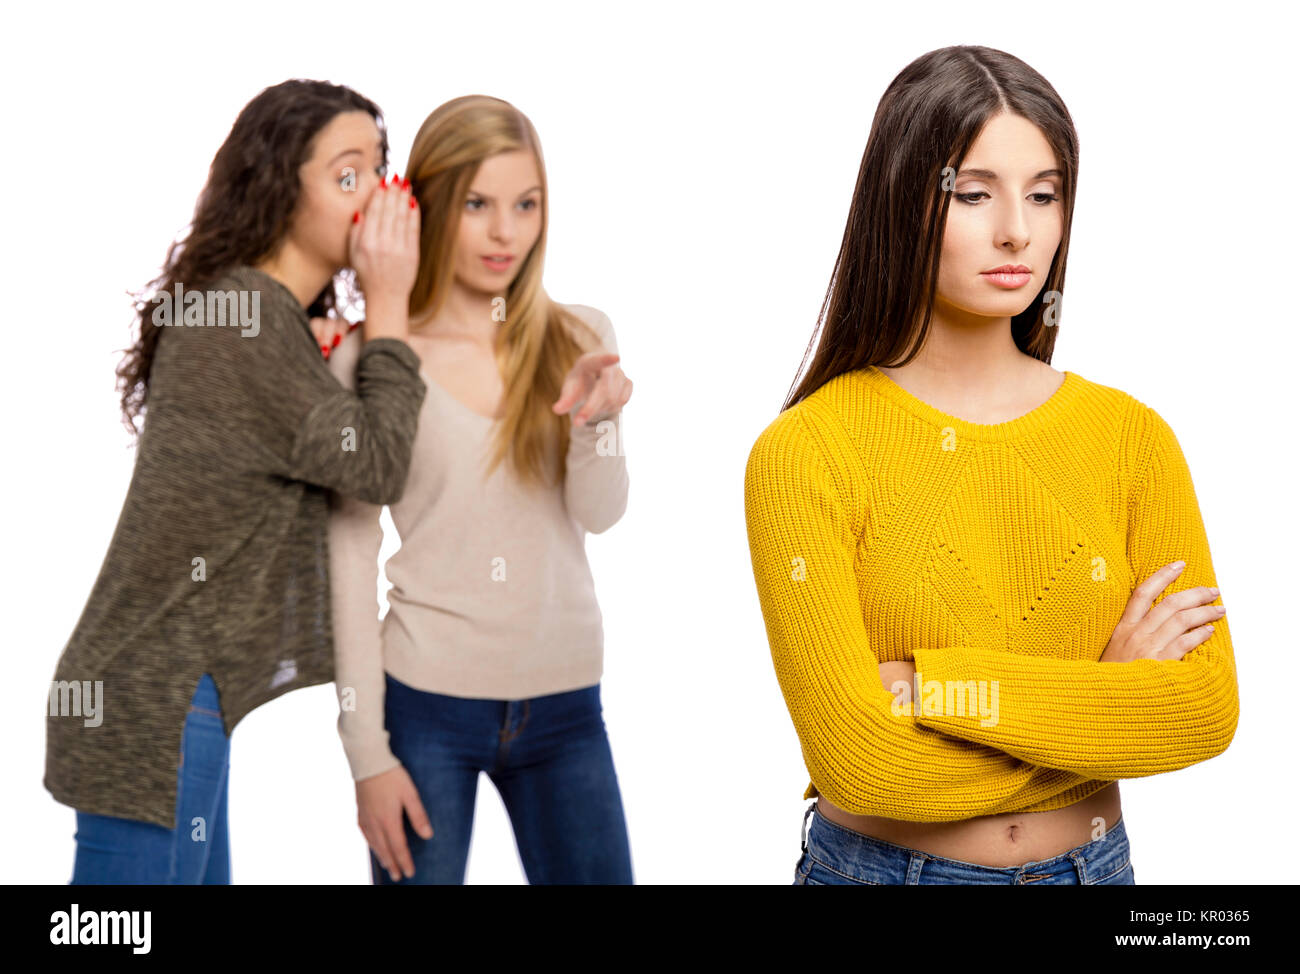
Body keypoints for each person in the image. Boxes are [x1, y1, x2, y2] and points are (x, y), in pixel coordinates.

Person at [743, 45, 1238, 886]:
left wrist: (932, 688)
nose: (1019, 228)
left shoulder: (1132, 437)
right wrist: (1102, 698)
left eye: (1044, 195)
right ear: (904, 202)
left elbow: (1202, 713)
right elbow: (861, 762)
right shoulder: (805, 452)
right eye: (974, 194)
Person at [45, 78, 428, 884]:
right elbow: (377, 464)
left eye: (380, 171)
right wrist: (389, 304)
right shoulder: (246, 318)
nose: (374, 199)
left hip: (165, 696)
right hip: (153, 704)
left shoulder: (252, 317)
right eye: (347, 174)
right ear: (279, 185)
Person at [324, 95, 635, 884]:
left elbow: (600, 514)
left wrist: (596, 425)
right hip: (425, 704)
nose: (507, 233)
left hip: (567, 701)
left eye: (526, 205)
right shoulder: (369, 360)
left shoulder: (580, 335)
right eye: (478, 205)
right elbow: (349, 561)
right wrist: (367, 757)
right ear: (425, 206)